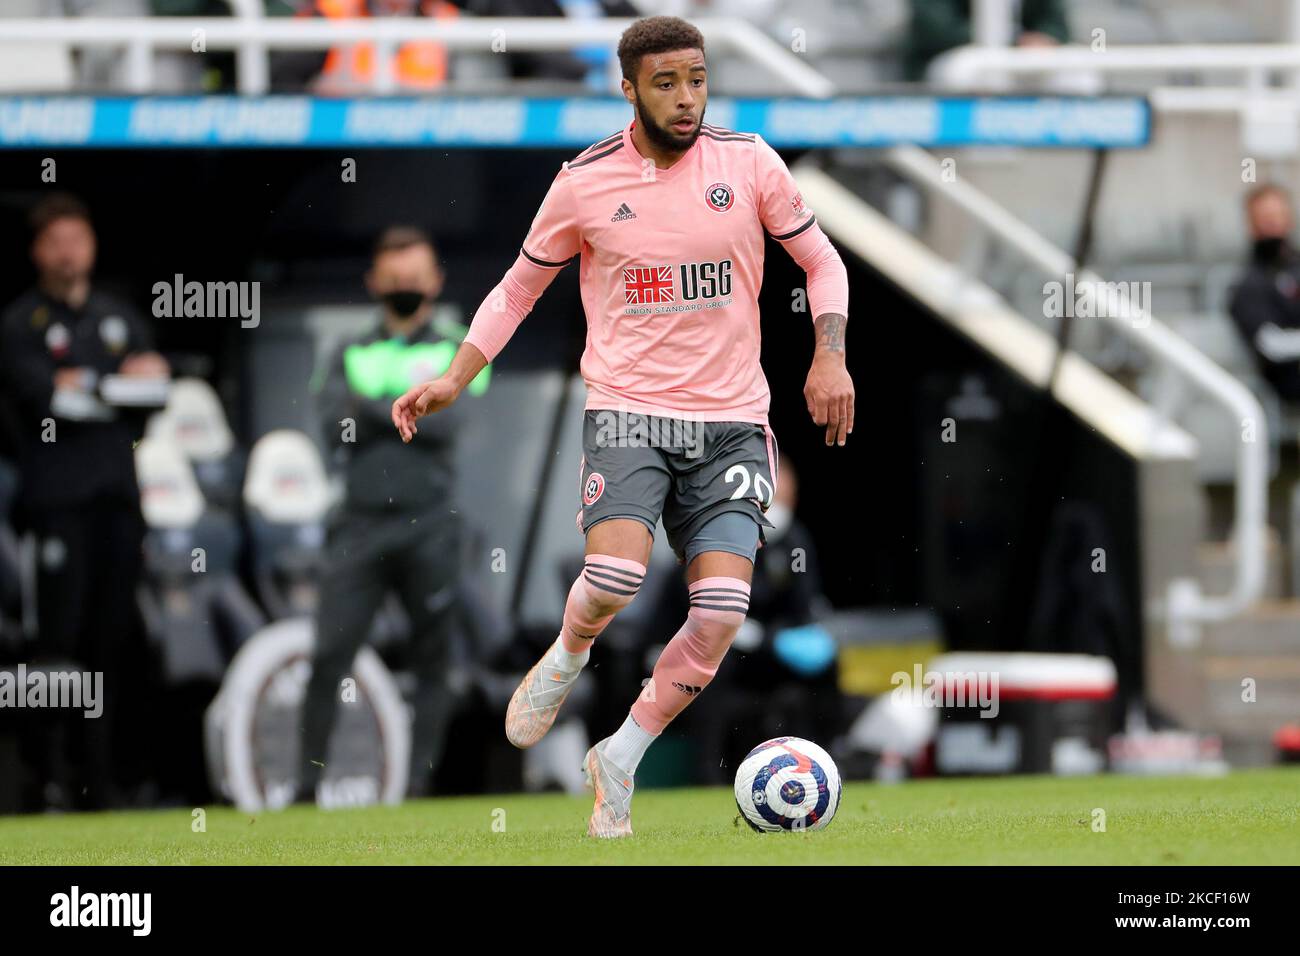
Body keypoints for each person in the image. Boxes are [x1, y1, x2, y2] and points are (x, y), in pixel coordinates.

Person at [392, 16, 854, 837]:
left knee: (717, 613)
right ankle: (567, 656)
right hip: (629, 412)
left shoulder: (748, 163)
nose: (686, 98)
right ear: (629, 86)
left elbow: (822, 261)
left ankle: (622, 755)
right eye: (667, 82)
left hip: (731, 421)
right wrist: (455, 377)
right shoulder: (585, 181)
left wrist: (829, 356)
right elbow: (515, 290)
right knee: (613, 581)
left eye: (698, 79)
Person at [299, 225, 489, 801]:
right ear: (373, 283)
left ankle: (414, 788)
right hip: (359, 523)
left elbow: (451, 423)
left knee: (434, 659)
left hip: (430, 521)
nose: (405, 286)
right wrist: (411, 407)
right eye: (394, 278)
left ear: (435, 281)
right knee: (330, 653)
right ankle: (305, 791)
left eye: (414, 277)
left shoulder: (458, 347)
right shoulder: (347, 349)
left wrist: (371, 407)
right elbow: (332, 422)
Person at [0, 193, 170, 809]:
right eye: (57, 241)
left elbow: (149, 396)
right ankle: (45, 779)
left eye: (79, 237)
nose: (70, 251)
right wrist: (113, 386)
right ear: (37, 251)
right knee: (57, 646)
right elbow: (51, 402)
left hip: (117, 505)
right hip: (56, 506)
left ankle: (100, 781)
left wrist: (100, 386)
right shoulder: (21, 324)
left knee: (114, 642)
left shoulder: (117, 318)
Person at [1228, 183, 1300, 407]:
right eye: (1266, 216)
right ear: (1251, 223)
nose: (1273, 222)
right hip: (1289, 380)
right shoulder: (1248, 285)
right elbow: (1270, 343)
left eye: (1278, 215)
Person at [904, 0, 1070, 82]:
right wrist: (1015, 41)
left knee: (1075, 77)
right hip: (946, 57)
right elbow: (935, 30)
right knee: (966, 73)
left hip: (1021, 57)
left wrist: (1045, 38)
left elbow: (1056, 24)